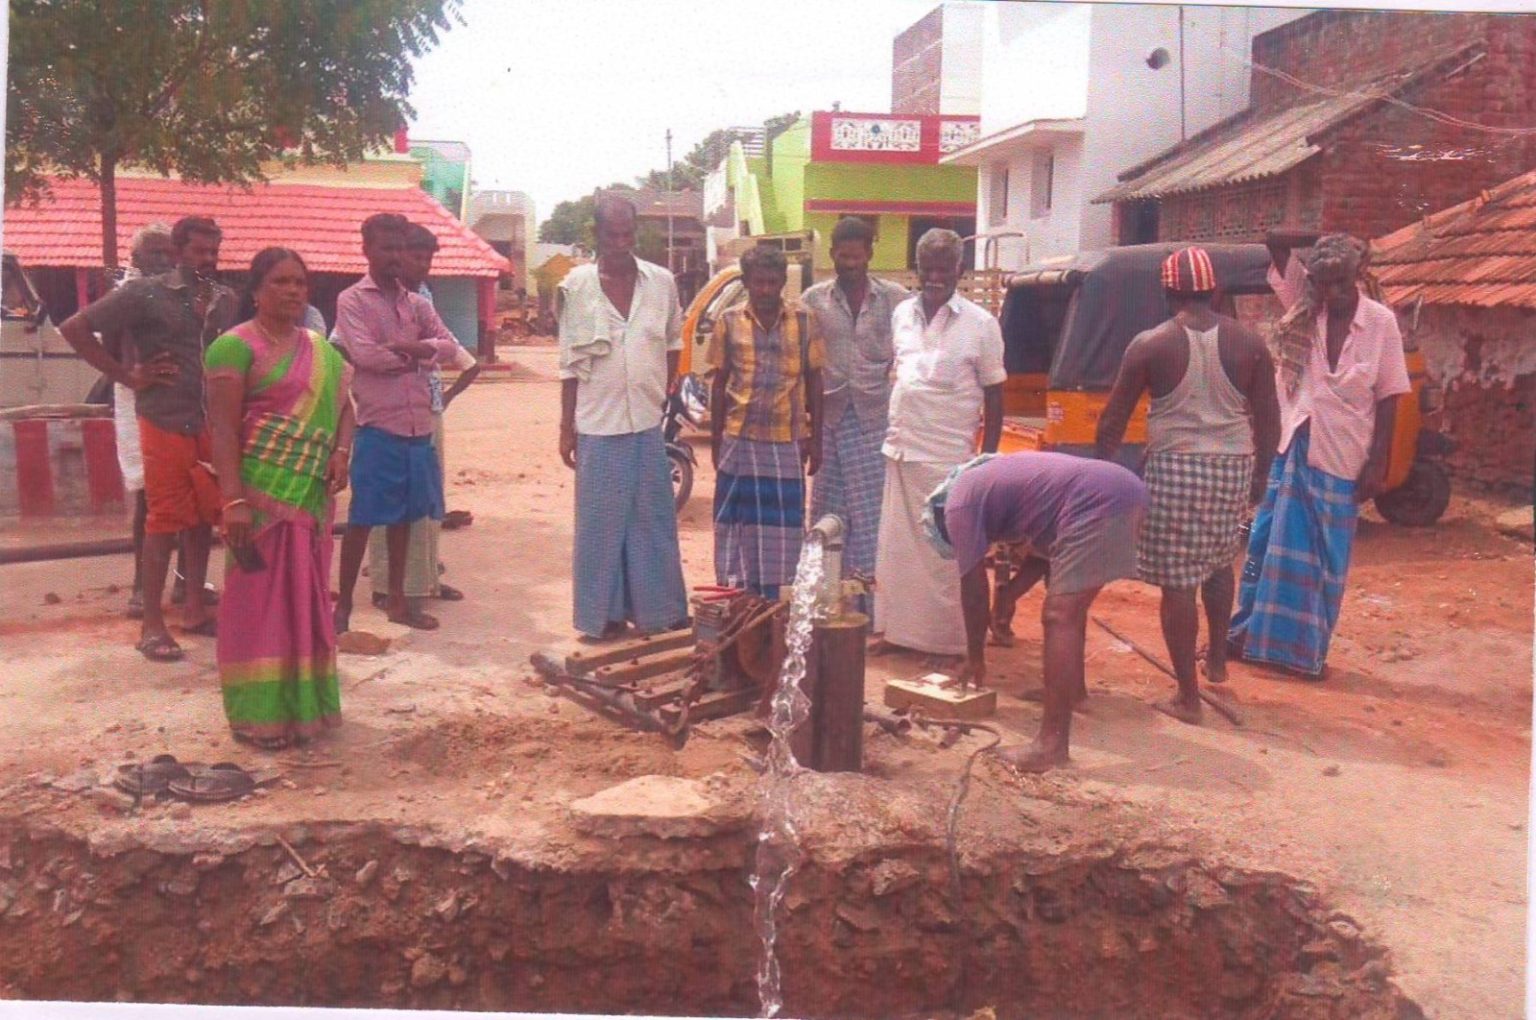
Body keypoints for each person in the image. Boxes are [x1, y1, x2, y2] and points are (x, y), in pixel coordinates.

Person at [1095, 247, 1281, 722]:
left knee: (1178, 583)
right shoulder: (1250, 343)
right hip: (1233, 467)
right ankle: (1216, 659)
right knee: (1219, 562)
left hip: (1175, 470)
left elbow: (1112, 421)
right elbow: (1268, 417)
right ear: (1215, 291)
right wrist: (1260, 475)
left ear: (1168, 293)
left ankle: (1188, 697)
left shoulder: (1150, 344)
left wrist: (1102, 474)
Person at [1227, 231, 1411, 679]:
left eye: (1340, 283)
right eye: (1323, 283)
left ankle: (1303, 656)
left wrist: (1378, 462)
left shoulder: (1381, 322)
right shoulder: (1304, 308)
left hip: (1344, 453)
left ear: (1357, 278)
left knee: (1323, 559)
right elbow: (1273, 240)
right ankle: (1249, 637)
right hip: (1293, 446)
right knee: (1267, 543)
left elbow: (1390, 396)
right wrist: (1327, 237)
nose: (1332, 294)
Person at [59, 215, 238, 661]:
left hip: (207, 423)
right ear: (178, 253)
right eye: (200, 252)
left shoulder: (224, 300)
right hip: (162, 419)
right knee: (163, 521)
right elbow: (74, 328)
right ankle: (152, 625)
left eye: (214, 252)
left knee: (201, 519)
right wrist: (126, 376)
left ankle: (194, 608)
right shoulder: (143, 293)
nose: (208, 260)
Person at [205, 248, 353, 750]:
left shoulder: (321, 350)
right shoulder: (233, 348)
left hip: (309, 496)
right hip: (259, 499)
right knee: (256, 605)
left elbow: (346, 408)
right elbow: (222, 431)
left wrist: (340, 451)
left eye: (301, 283)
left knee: (304, 600)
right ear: (256, 289)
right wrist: (233, 502)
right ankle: (258, 716)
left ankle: (304, 711)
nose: (293, 291)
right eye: (281, 282)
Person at [928, 452, 1147, 772]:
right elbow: (1046, 553)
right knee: (1072, 604)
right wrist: (1010, 595)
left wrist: (974, 656)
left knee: (1060, 616)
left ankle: (1051, 745)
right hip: (1121, 487)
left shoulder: (958, 508)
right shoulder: (993, 488)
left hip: (1099, 498)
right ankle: (1073, 693)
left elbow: (974, 590)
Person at [557, 194, 690, 639]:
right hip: (597, 426)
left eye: (627, 233)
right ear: (597, 235)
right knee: (600, 526)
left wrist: (663, 395)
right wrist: (566, 427)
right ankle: (603, 618)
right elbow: (567, 365)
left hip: (647, 425)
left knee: (653, 521)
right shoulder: (576, 285)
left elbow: (673, 344)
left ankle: (661, 613)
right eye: (611, 234)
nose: (620, 242)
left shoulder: (662, 282)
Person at [873, 228, 1004, 664]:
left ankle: (950, 645)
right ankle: (901, 632)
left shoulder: (981, 324)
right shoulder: (902, 315)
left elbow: (995, 395)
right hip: (902, 450)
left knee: (946, 559)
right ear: (916, 270)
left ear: (959, 272)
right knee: (899, 555)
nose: (934, 278)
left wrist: (985, 460)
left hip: (950, 459)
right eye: (926, 268)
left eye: (943, 269)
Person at [331, 213, 465, 634]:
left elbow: (450, 347)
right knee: (363, 519)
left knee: (407, 518)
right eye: (385, 248)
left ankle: (398, 602)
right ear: (367, 250)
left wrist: (410, 347)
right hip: (378, 427)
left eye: (398, 249)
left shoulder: (418, 304)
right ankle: (343, 609)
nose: (393, 257)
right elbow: (365, 355)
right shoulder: (351, 300)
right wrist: (418, 357)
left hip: (418, 427)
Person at [367, 223, 480, 611]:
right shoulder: (370, 299)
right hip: (387, 412)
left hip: (427, 411)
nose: (422, 265)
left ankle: (426, 578)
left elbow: (455, 353)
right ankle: (385, 585)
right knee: (389, 502)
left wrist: (443, 396)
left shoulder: (424, 298)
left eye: (428, 258)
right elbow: (344, 349)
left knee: (428, 501)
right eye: (416, 257)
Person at [800, 217, 909, 611]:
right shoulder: (813, 300)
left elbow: (909, 355)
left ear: (869, 255)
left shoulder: (896, 299)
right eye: (843, 257)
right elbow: (804, 364)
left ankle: (868, 609)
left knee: (870, 516)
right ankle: (825, 603)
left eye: (857, 257)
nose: (850, 265)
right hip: (828, 419)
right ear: (832, 255)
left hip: (873, 420)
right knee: (827, 510)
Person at [706, 245, 826, 598]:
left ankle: (779, 601)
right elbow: (718, 383)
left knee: (784, 527)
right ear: (746, 282)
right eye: (758, 282)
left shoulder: (805, 322)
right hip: (738, 438)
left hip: (785, 442)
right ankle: (735, 597)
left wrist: (815, 439)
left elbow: (815, 382)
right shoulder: (728, 322)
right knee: (734, 524)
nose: (766, 290)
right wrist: (716, 442)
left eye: (773, 283)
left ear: (782, 284)